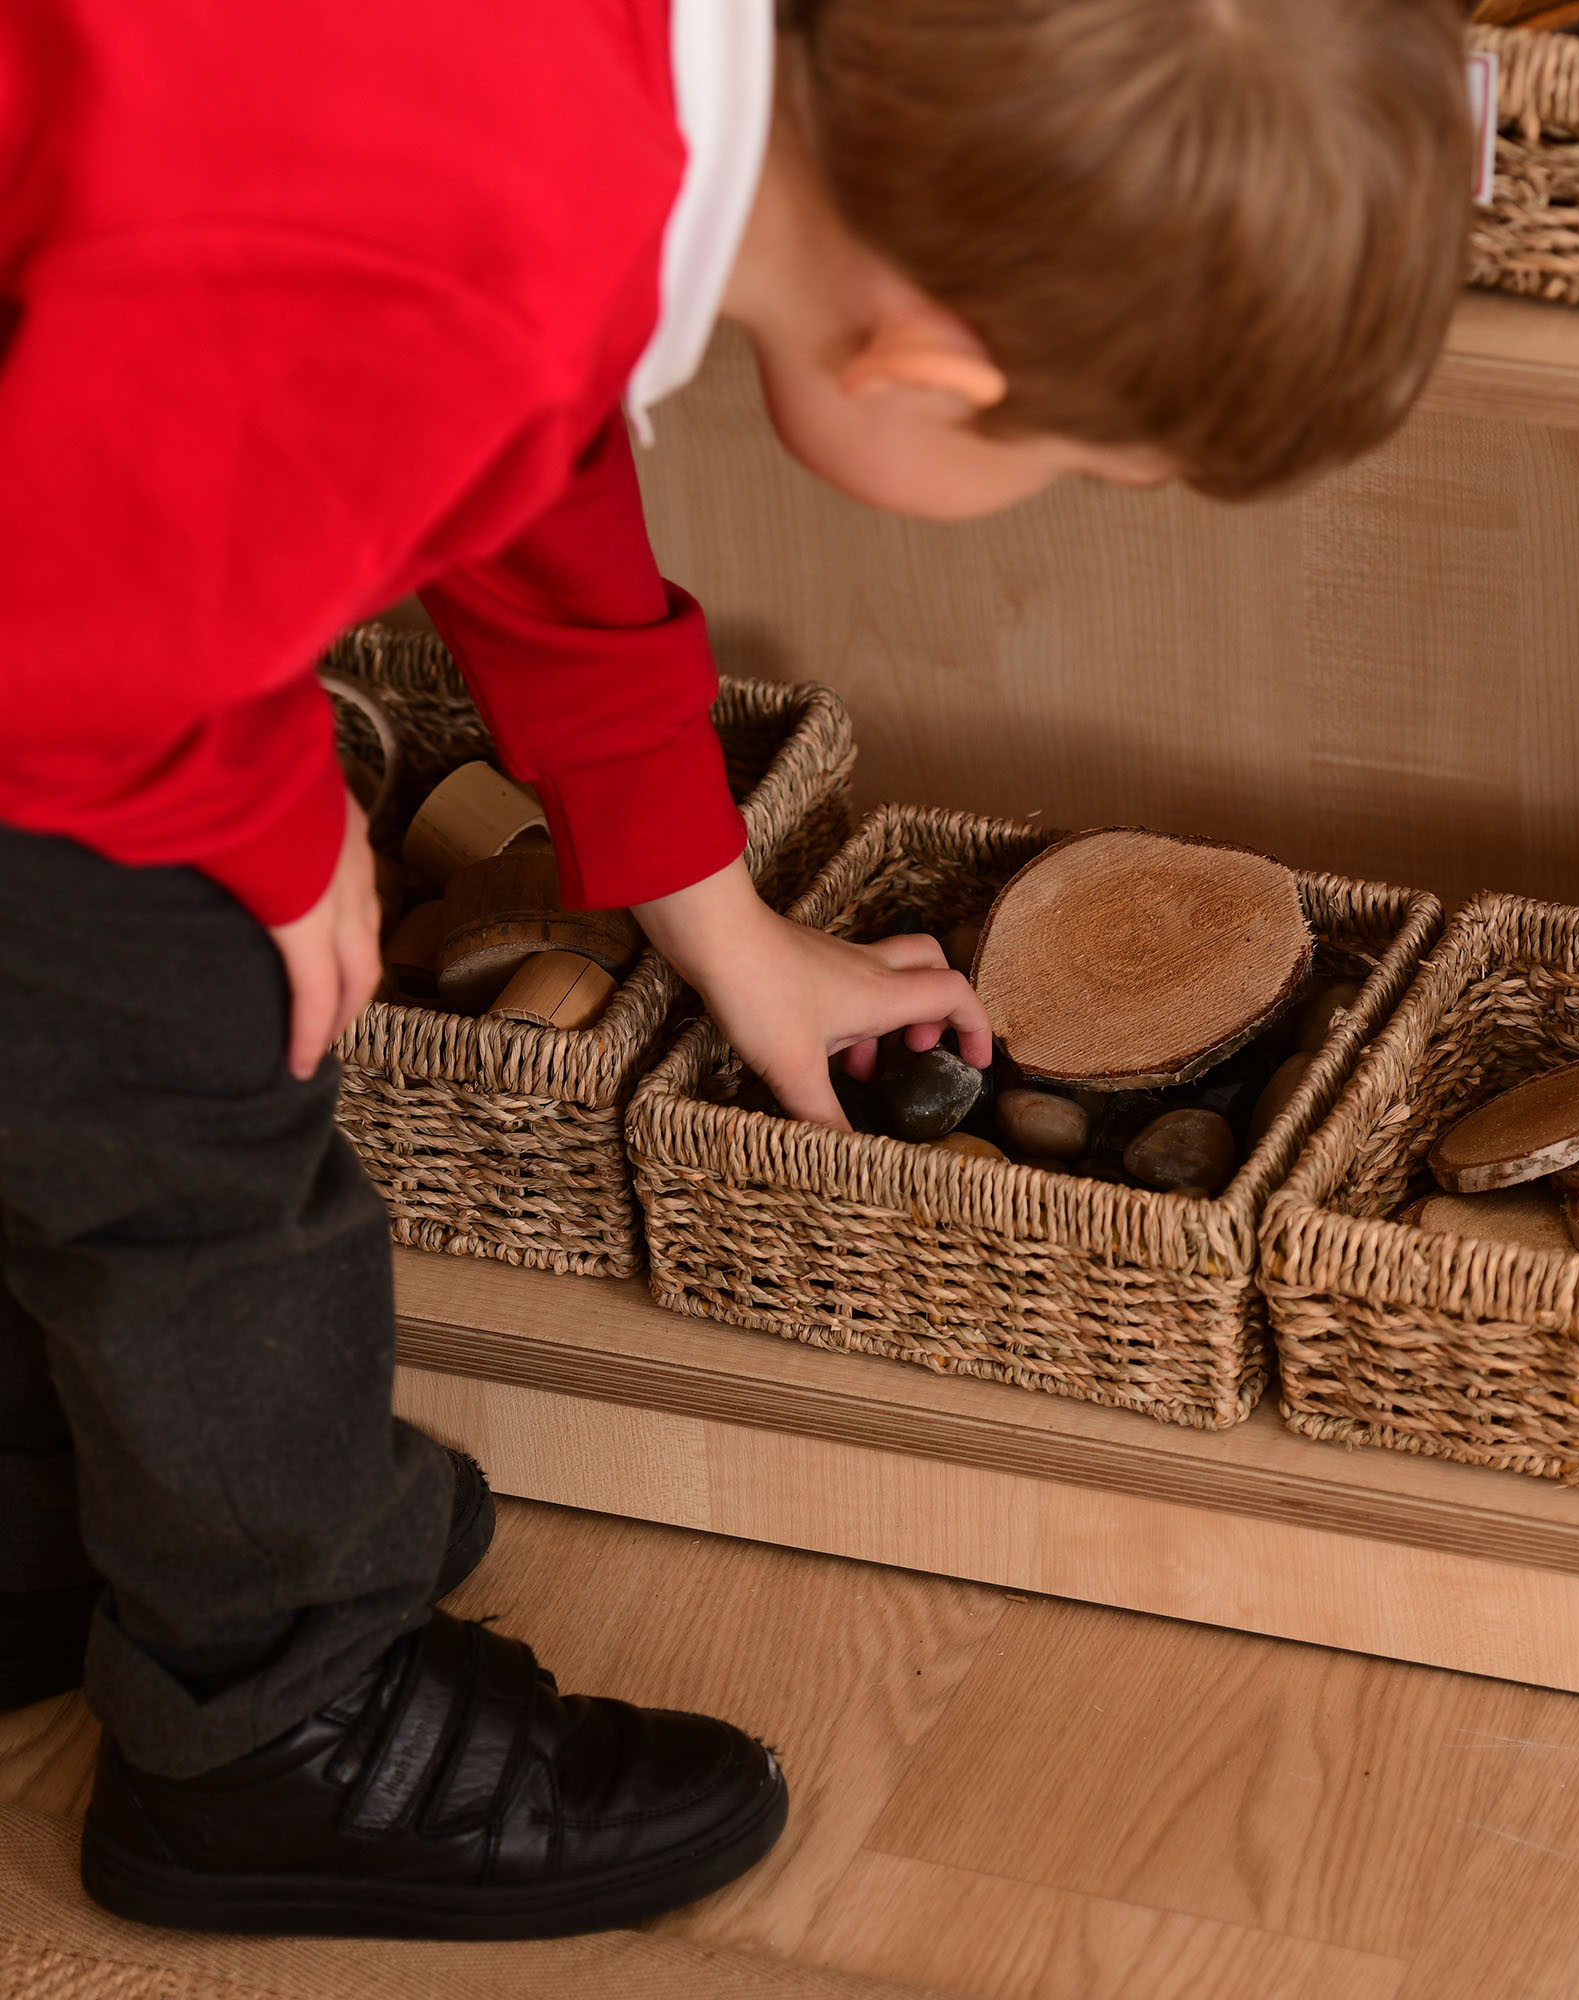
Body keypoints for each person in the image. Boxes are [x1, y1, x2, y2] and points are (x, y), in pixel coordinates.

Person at [0, 0, 1471, 1942]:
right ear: (928, 365)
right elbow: (62, 651)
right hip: (58, 632)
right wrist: (268, 834)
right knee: (190, 1083)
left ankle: (51, 1524)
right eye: (1073, 465)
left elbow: (513, 444)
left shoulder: (592, 111)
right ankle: (283, 1727)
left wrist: (708, 901)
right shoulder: (470, 258)